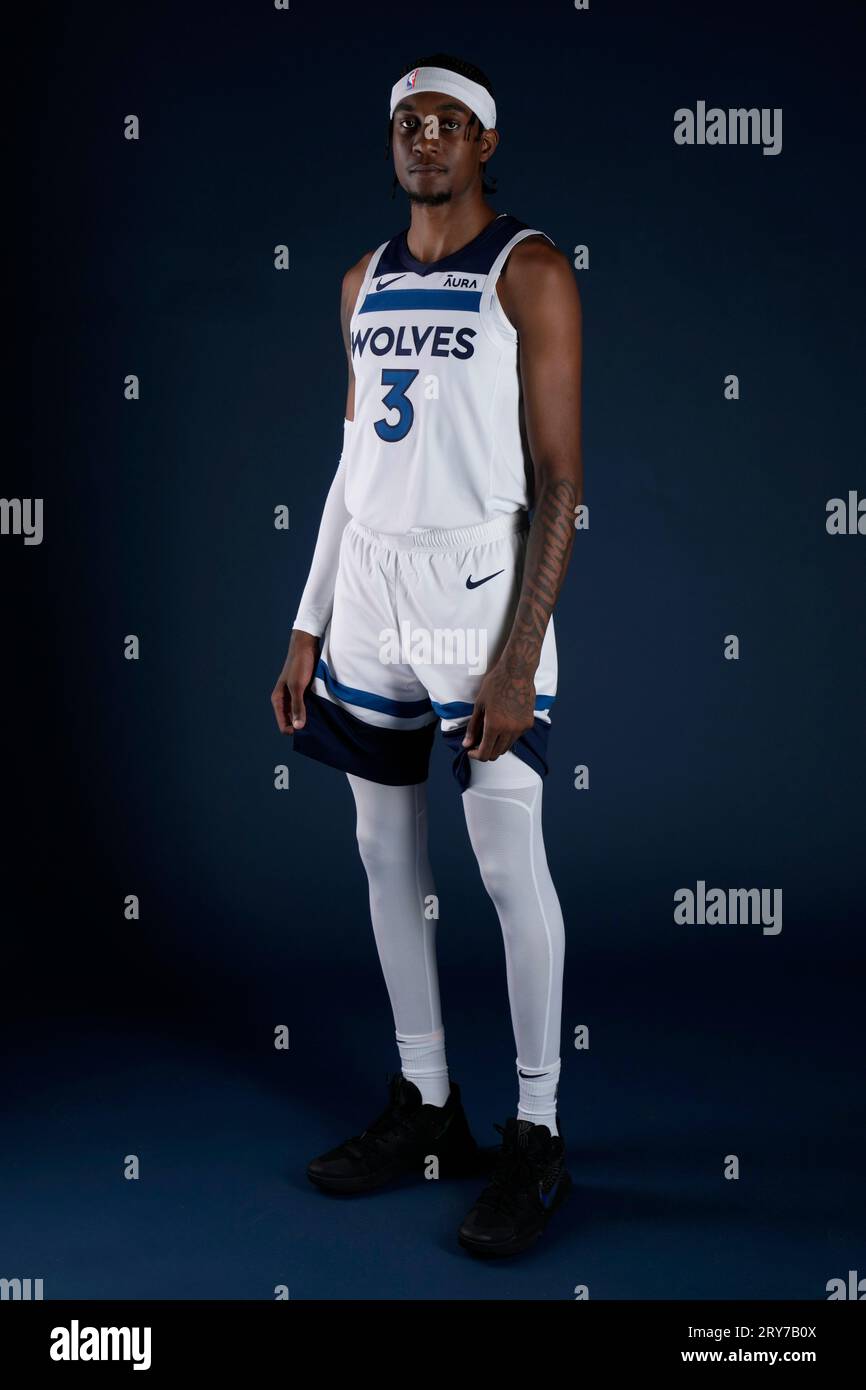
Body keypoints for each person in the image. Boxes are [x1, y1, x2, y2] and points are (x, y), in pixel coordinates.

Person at [271, 53, 583, 1258]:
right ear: (392, 141)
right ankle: (427, 1106)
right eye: (410, 123)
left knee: (505, 861)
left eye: (450, 124)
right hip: (369, 593)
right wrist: (306, 621)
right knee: (378, 847)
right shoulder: (361, 281)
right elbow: (351, 473)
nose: (427, 140)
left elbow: (558, 483)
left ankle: (538, 1132)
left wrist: (519, 655)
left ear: (484, 144)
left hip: (476, 585)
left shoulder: (530, 270)